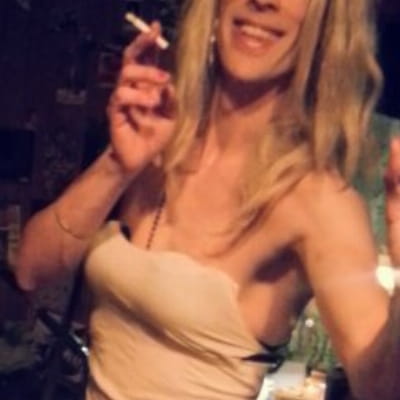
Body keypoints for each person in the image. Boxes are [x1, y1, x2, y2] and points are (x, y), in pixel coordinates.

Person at [14, 0, 400, 399]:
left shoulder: (318, 200)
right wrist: (116, 165)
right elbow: (30, 270)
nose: (261, 1)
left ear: (326, 23)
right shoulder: (159, 133)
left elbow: (380, 389)